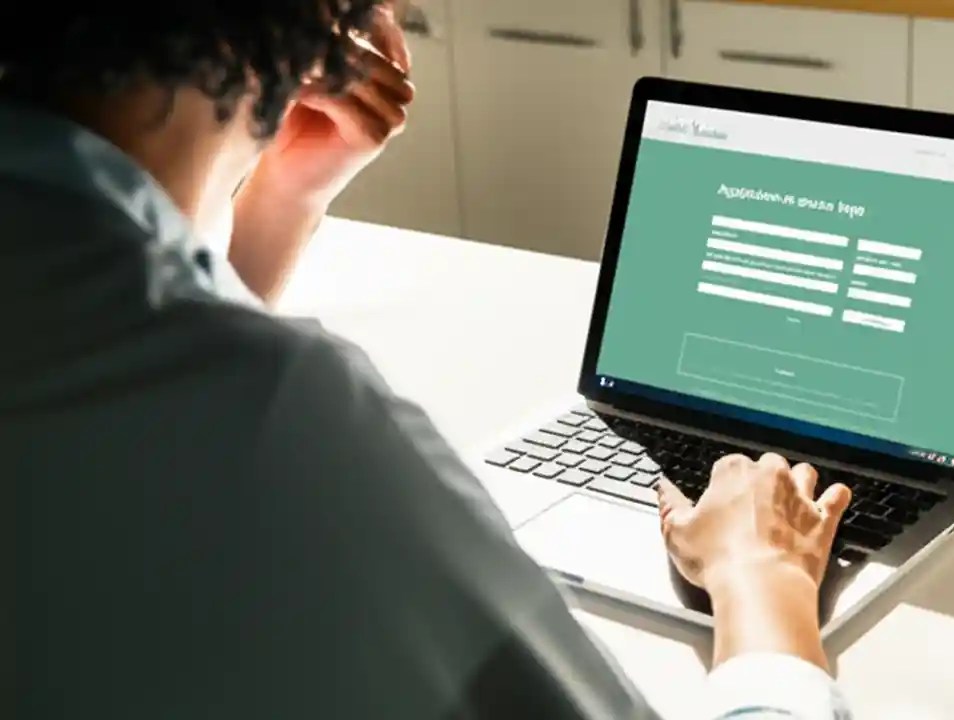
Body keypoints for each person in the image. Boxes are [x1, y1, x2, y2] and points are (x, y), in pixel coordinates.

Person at [3, 3, 854, 718]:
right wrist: (764, 584)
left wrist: (286, 197)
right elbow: (203, 410)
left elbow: (124, 377)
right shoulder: (289, 418)